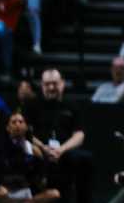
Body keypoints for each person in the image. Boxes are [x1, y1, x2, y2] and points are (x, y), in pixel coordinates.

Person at [23, 69, 92, 203]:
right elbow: (25, 133)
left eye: (54, 83)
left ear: (62, 84)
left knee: (85, 159)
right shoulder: (32, 105)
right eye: (47, 84)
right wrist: (43, 148)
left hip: (64, 151)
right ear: (42, 85)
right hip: (38, 150)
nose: (51, 87)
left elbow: (79, 135)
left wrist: (61, 149)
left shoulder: (71, 105)